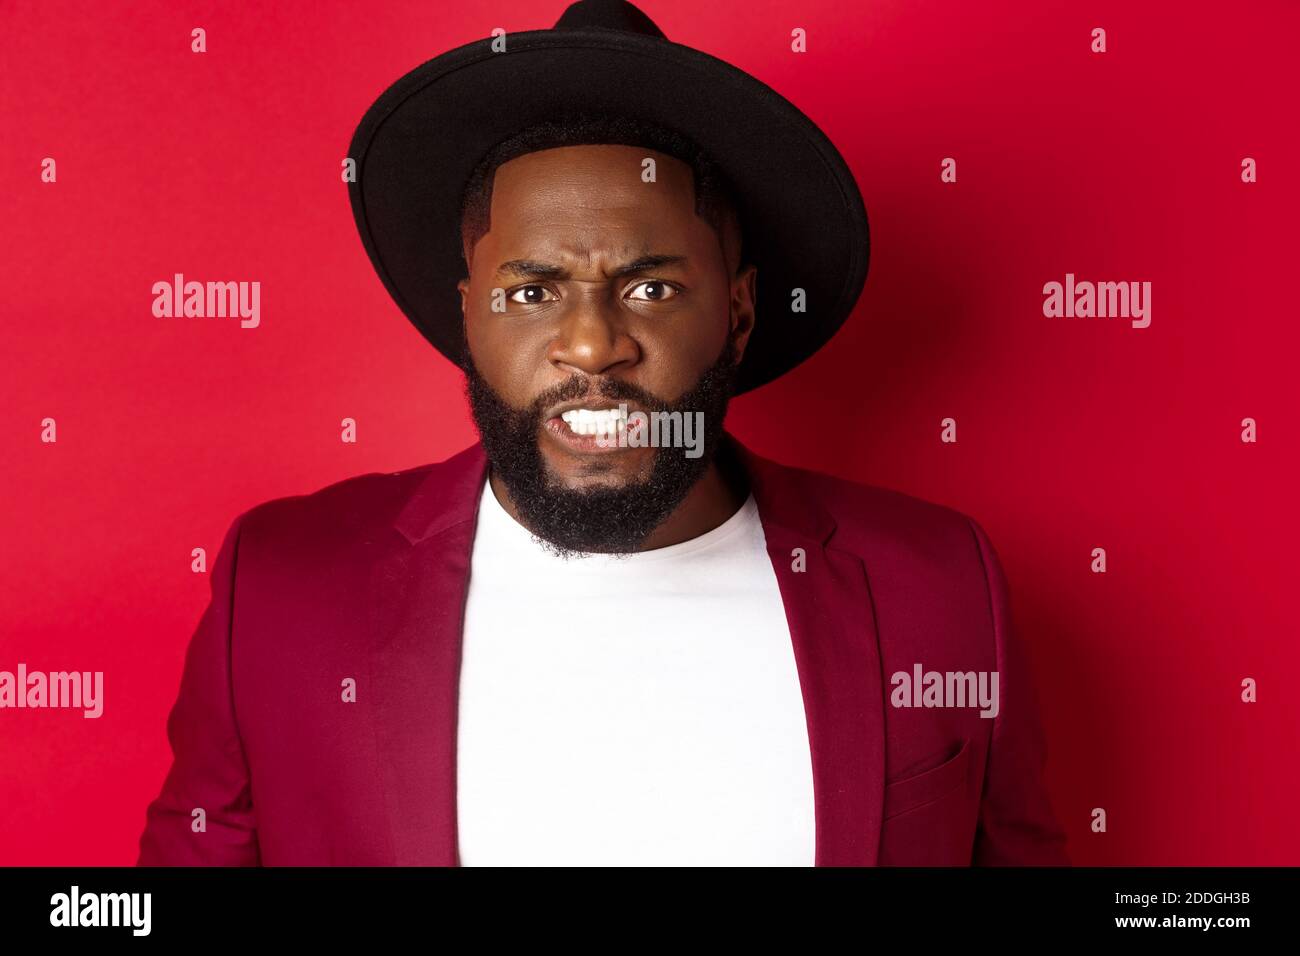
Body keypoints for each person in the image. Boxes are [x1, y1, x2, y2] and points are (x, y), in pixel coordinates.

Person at [137, 0, 1068, 866]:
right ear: (470, 318)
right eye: (532, 292)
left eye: (651, 288)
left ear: (739, 314)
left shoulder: (940, 586)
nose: (593, 343)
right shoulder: (283, 588)